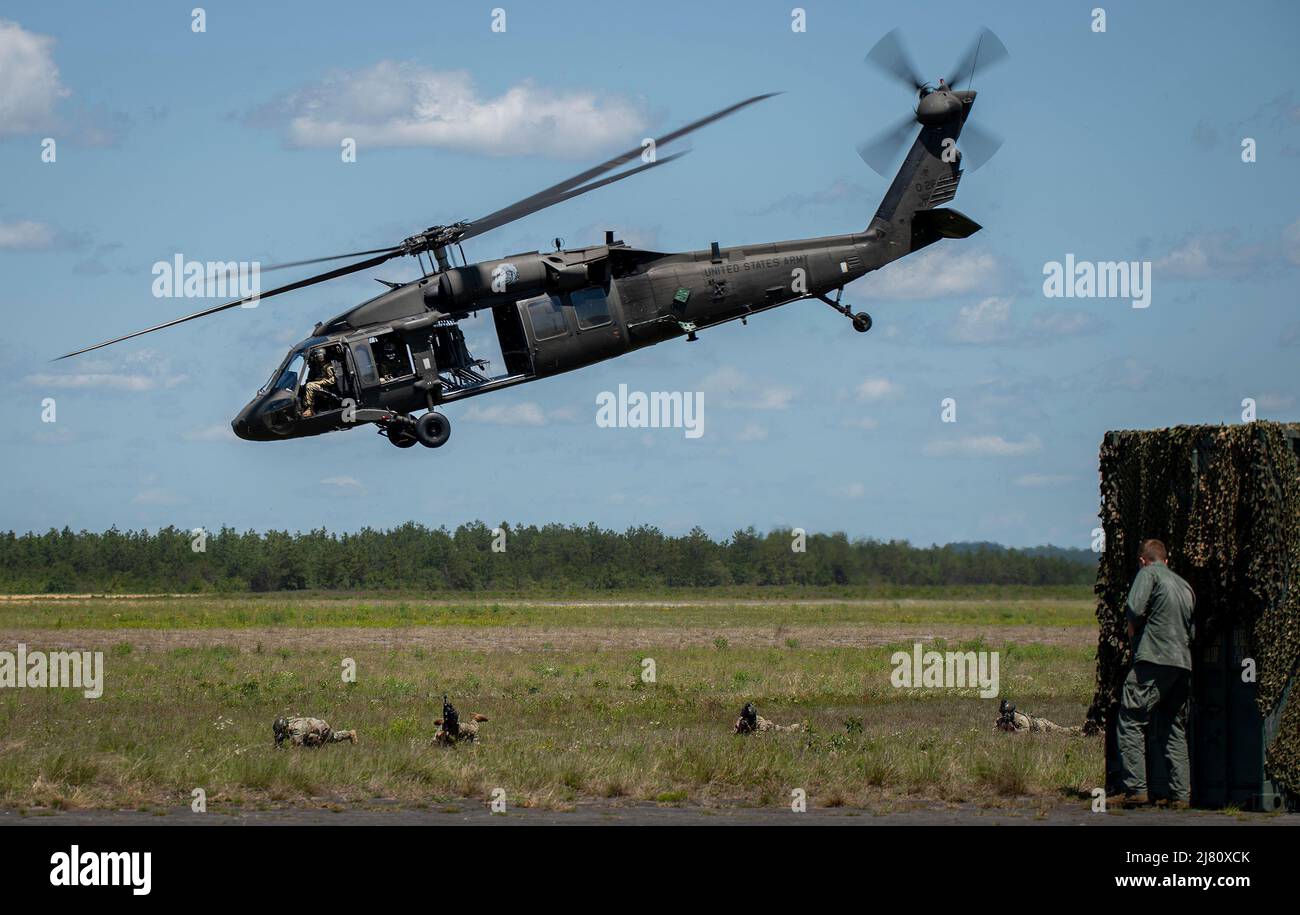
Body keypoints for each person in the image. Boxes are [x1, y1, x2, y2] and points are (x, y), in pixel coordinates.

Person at [1111, 538, 1195, 809]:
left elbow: (1134, 608)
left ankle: (1136, 789)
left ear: (1143, 561)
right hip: (1182, 664)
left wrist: (1134, 633)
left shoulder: (1148, 574)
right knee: (1173, 725)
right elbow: (1191, 631)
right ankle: (1181, 795)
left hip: (1154, 658)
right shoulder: (1185, 586)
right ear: (1167, 561)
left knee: (1131, 719)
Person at [995, 698, 1085, 735]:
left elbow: (1025, 734)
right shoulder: (1001, 720)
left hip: (1042, 726)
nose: (1005, 715)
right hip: (1037, 726)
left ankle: (1081, 730)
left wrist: (1013, 730)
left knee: (1062, 732)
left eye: (1007, 713)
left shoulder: (1021, 720)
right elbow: (994, 732)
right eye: (1003, 713)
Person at [273, 716, 356, 747]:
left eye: (281, 731)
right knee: (308, 740)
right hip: (310, 729)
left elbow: (297, 746)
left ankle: (350, 734)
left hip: (321, 728)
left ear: (285, 727)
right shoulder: (287, 726)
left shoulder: (297, 730)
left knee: (334, 738)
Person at [302, 349, 336, 417]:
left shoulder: (328, 367)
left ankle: (310, 409)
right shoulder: (319, 367)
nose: (315, 359)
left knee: (310, 386)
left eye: (316, 357)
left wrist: (319, 382)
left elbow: (333, 380)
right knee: (305, 386)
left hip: (328, 390)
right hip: (322, 388)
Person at [733, 701, 802, 734]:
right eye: (744, 717)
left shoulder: (760, 721)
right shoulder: (741, 720)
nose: (745, 719)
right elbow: (735, 732)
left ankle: (801, 726)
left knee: (788, 730)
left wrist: (748, 731)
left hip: (773, 729)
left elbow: (760, 736)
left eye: (747, 718)